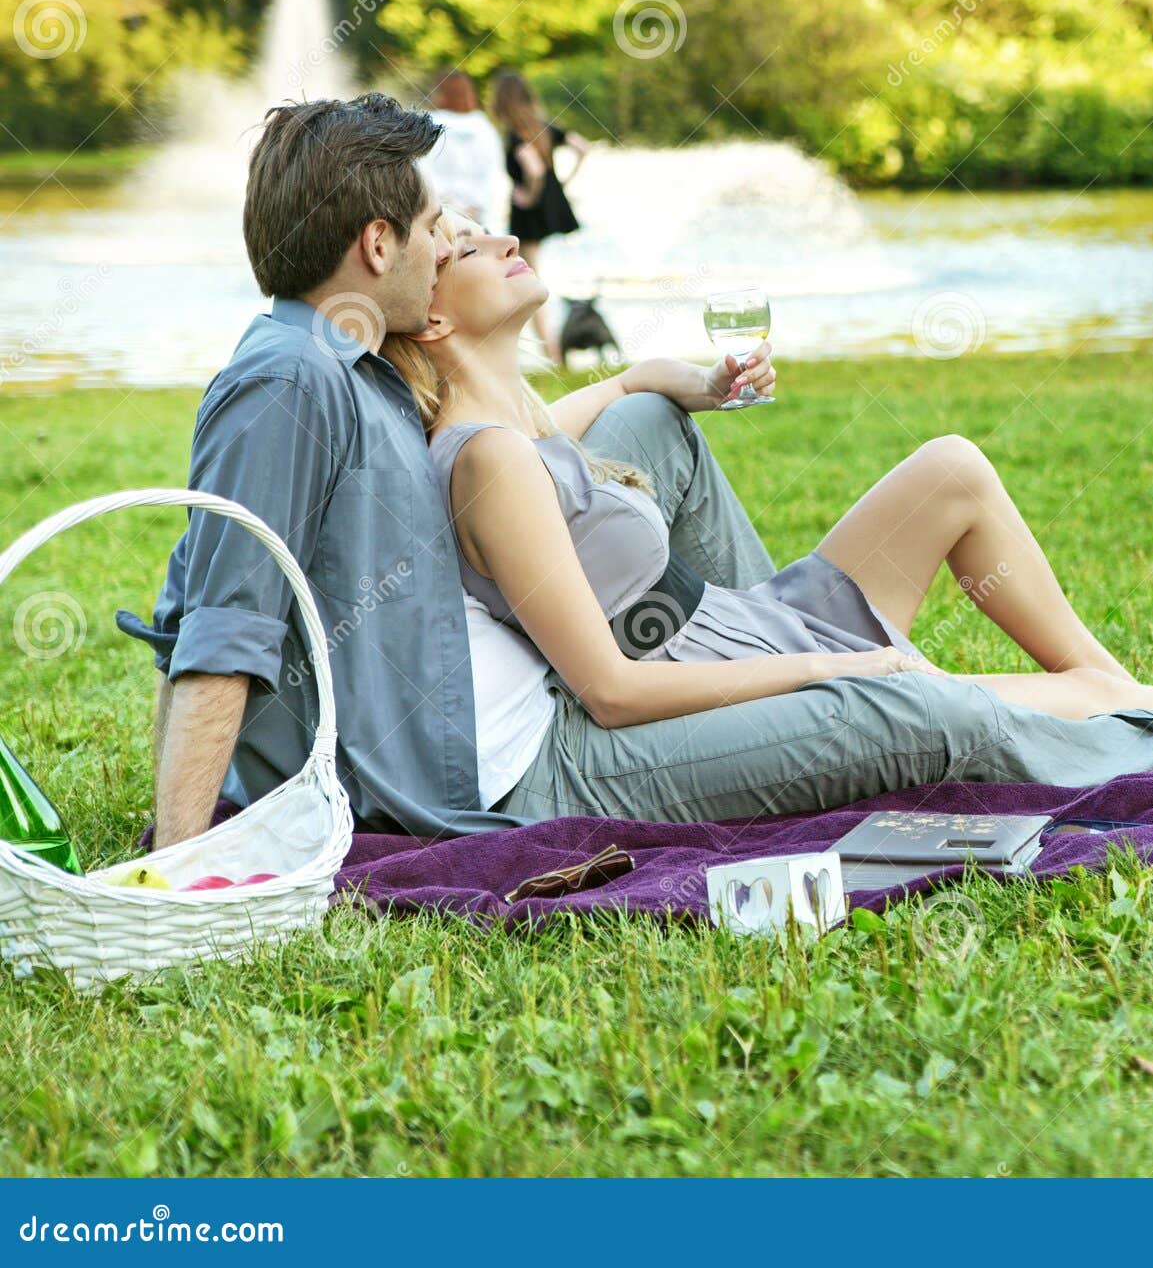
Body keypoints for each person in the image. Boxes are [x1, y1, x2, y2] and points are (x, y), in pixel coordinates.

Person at [380, 217, 1153, 826]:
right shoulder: (485, 460)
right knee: (963, 704)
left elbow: (552, 428)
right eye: (469, 246)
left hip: (745, 622)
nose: (508, 240)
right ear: (431, 320)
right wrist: (839, 669)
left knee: (951, 471)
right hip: (705, 681)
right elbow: (609, 691)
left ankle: (1134, 695)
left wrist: (655, 376)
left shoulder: (508, 428)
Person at [117, 95, 777, 846]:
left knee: (650, 422)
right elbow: (219, 630)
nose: (443, 249)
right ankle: (799, 678)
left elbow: (495, 455)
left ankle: (774, 641)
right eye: (434, 230)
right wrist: (174, 866)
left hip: (516, 714)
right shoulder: (291, 384)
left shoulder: (353, 366)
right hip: (489, 768)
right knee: (904, 716)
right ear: (376, 245)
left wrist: (632, 381)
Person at [490, 70, 589, 362]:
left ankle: (553, 355)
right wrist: (564, 182)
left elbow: (532, 169)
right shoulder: (545, 127)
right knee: (541, 276)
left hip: (529, 215)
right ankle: (556, 349)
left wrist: (530, 195)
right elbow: (583, 148)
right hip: (553, 209)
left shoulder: (514, 135)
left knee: (530, 281)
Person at [417, 68, 507, 228]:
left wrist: (451, 204)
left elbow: (423, 170)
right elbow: (495, 173)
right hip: (479, 216)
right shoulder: (484, 128)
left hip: (442, 214)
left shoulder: (429, 125)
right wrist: (477, 205)